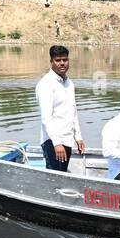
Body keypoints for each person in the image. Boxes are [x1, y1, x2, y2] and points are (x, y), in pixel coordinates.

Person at [36, 44, 84, 173]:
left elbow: (73, 112)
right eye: (58, 60)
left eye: (65, 60)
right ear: (51, 62)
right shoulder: (46, 84)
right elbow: (47, 118)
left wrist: (78, 137)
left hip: (67, 139)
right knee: (54, 178)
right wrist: (57, 143)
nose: (62, 63)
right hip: (52, 141)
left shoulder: (69, 83)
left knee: (62, 174)